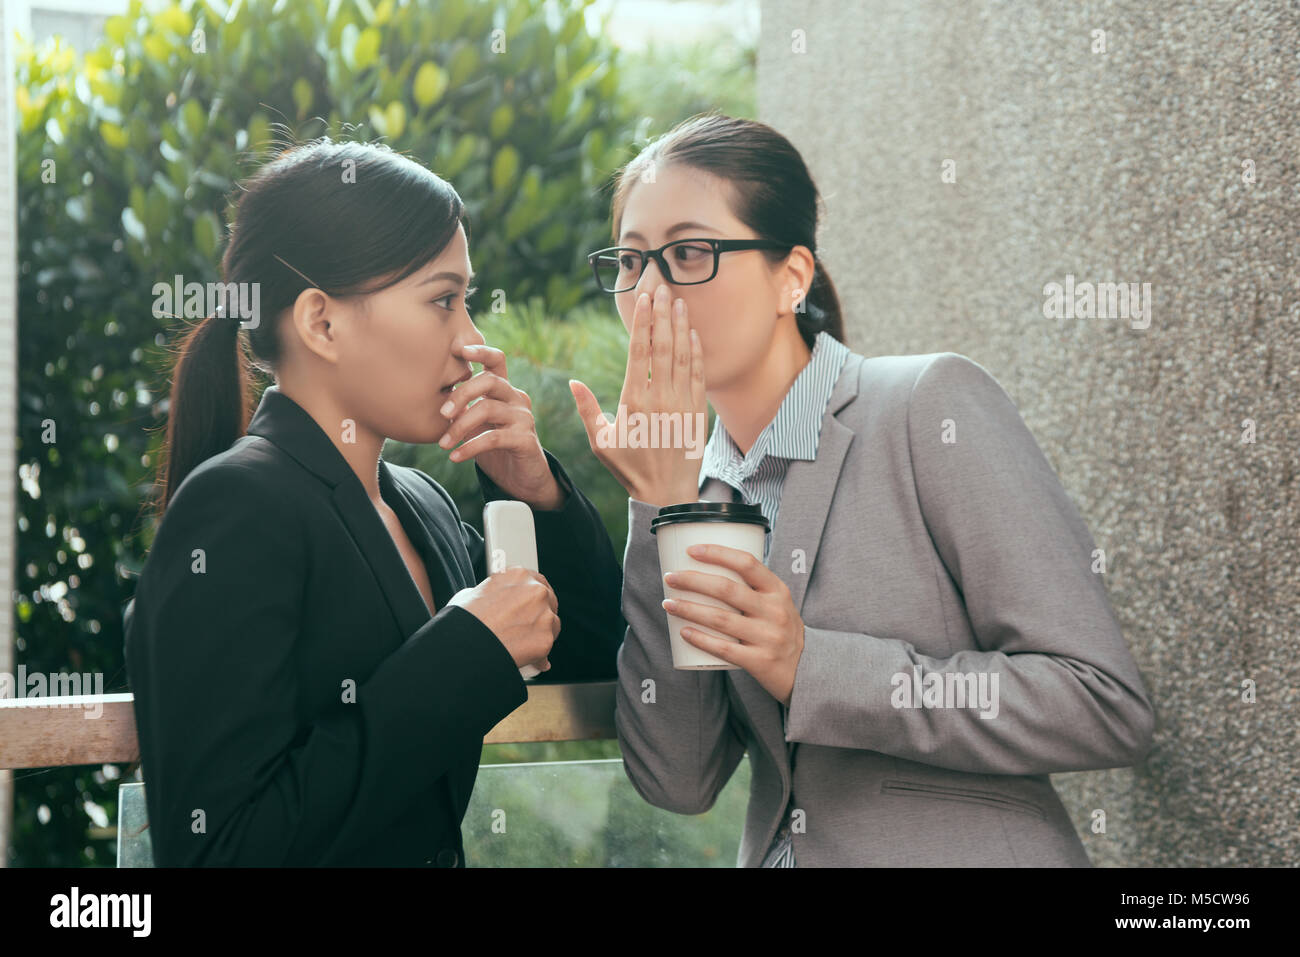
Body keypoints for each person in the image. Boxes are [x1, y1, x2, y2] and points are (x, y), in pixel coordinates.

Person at [569, 112, 1156, 867]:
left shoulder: (925, 404)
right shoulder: (700, 488)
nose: (649, 292)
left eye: (688, 253)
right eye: (629, 261)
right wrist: (662, 504)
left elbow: (1102, 703)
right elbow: (680, 779)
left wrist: (812, 665)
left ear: (792, 276)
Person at [122, 137, 624, 866]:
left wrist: (532, 489)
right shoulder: (235, 509)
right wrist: (463, 652)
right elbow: (221, 848)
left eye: (468, 300)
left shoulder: (418, 506)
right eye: (443, 300)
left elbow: (589, 658)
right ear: (322, 322)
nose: (473, 341)